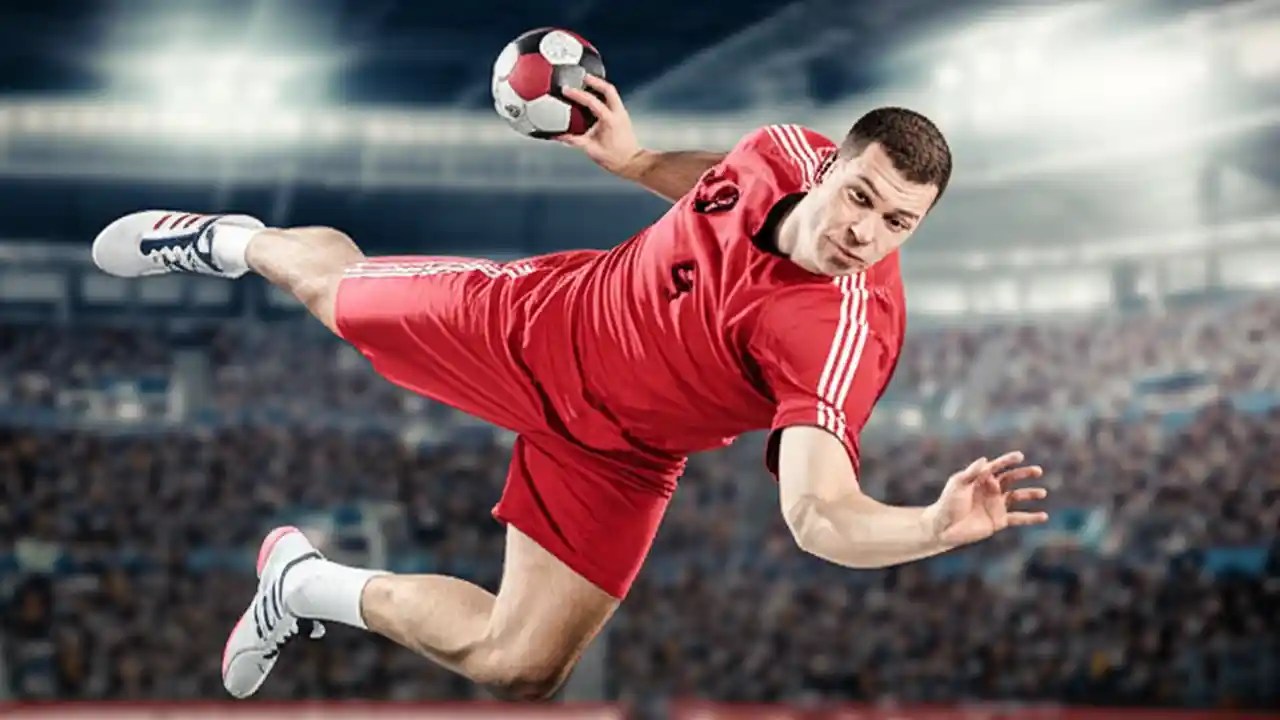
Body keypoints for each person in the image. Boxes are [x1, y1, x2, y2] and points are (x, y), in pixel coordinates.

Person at [90, 75, 1049, 701]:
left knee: (521, 666)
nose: (868, 234)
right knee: (330, 290)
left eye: (901, 224)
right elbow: (715, 180)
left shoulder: (841, 332)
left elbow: (818, 512)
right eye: (862, 198)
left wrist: (930, 526)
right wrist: (635, 161)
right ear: (831, 164)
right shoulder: (780, 150)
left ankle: (301, 584)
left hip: (625, 454)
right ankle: (228, 240)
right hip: (545, 330)